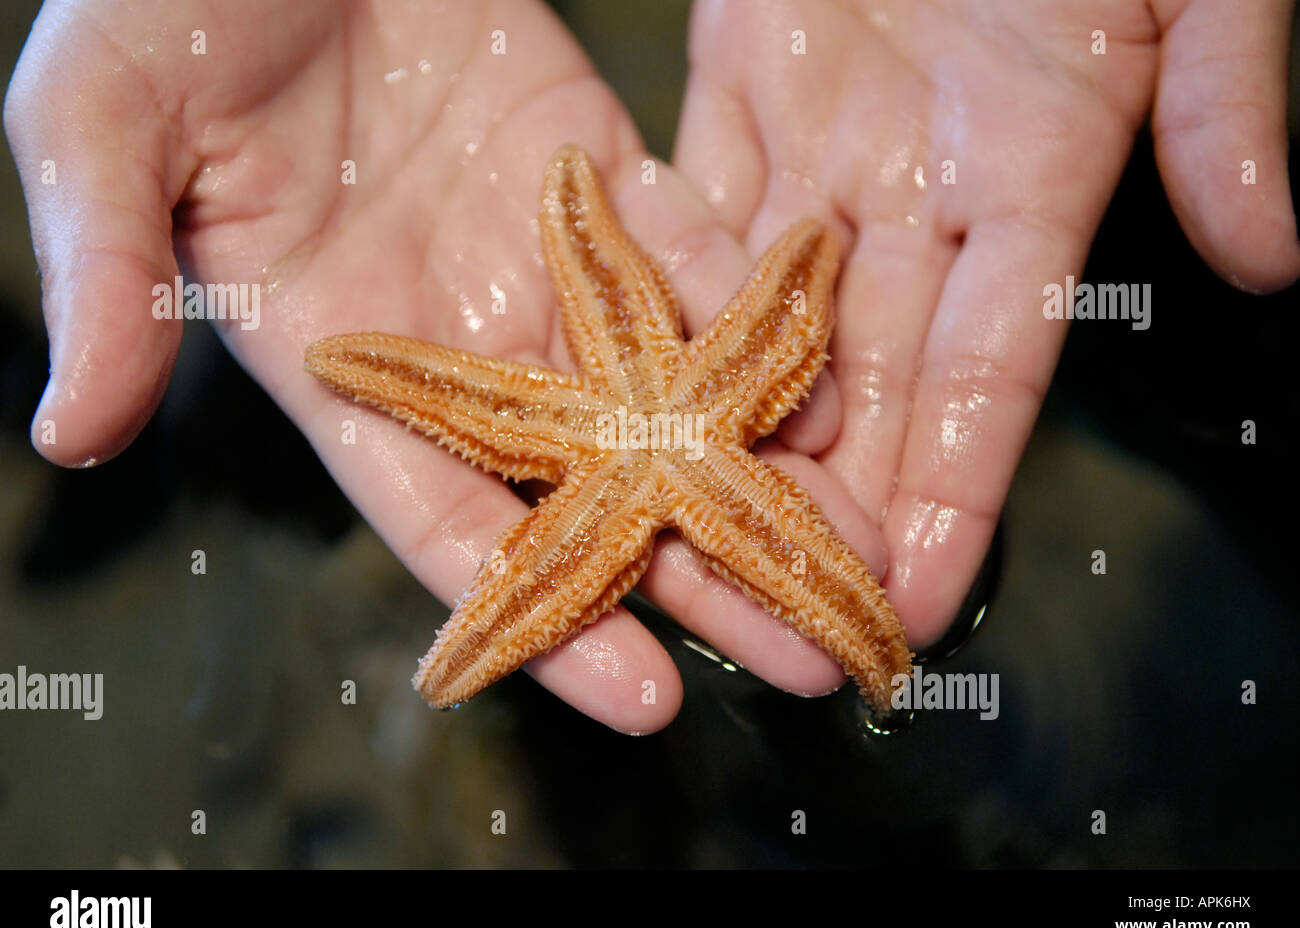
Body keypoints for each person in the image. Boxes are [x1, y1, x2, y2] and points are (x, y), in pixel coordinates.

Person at [5, 0, 1297, 733]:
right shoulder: (611, 378)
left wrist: (870, 633)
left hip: (661, 432)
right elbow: (566, 256)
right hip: (648, 431)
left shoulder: (704, 360)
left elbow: (776, 268)